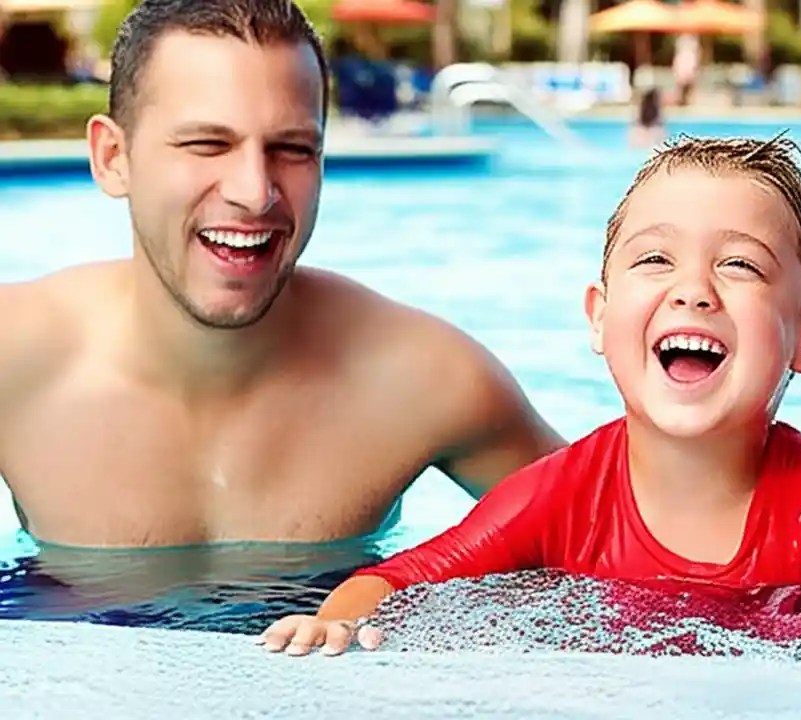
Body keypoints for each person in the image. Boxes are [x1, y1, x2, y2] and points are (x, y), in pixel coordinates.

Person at [259, 135, 801, 680]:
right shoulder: (560, 494)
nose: (694, 288)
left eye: (739, 265)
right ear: (600, 316)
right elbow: (401, 579)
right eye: (656, 259)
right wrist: (338, 619)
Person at [0, 0, 562, 548]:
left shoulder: (423, 378)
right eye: (206, 144)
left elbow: (618, 547)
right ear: (111, 157)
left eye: (292, 149)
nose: (254, 191)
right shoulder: (15, 359)